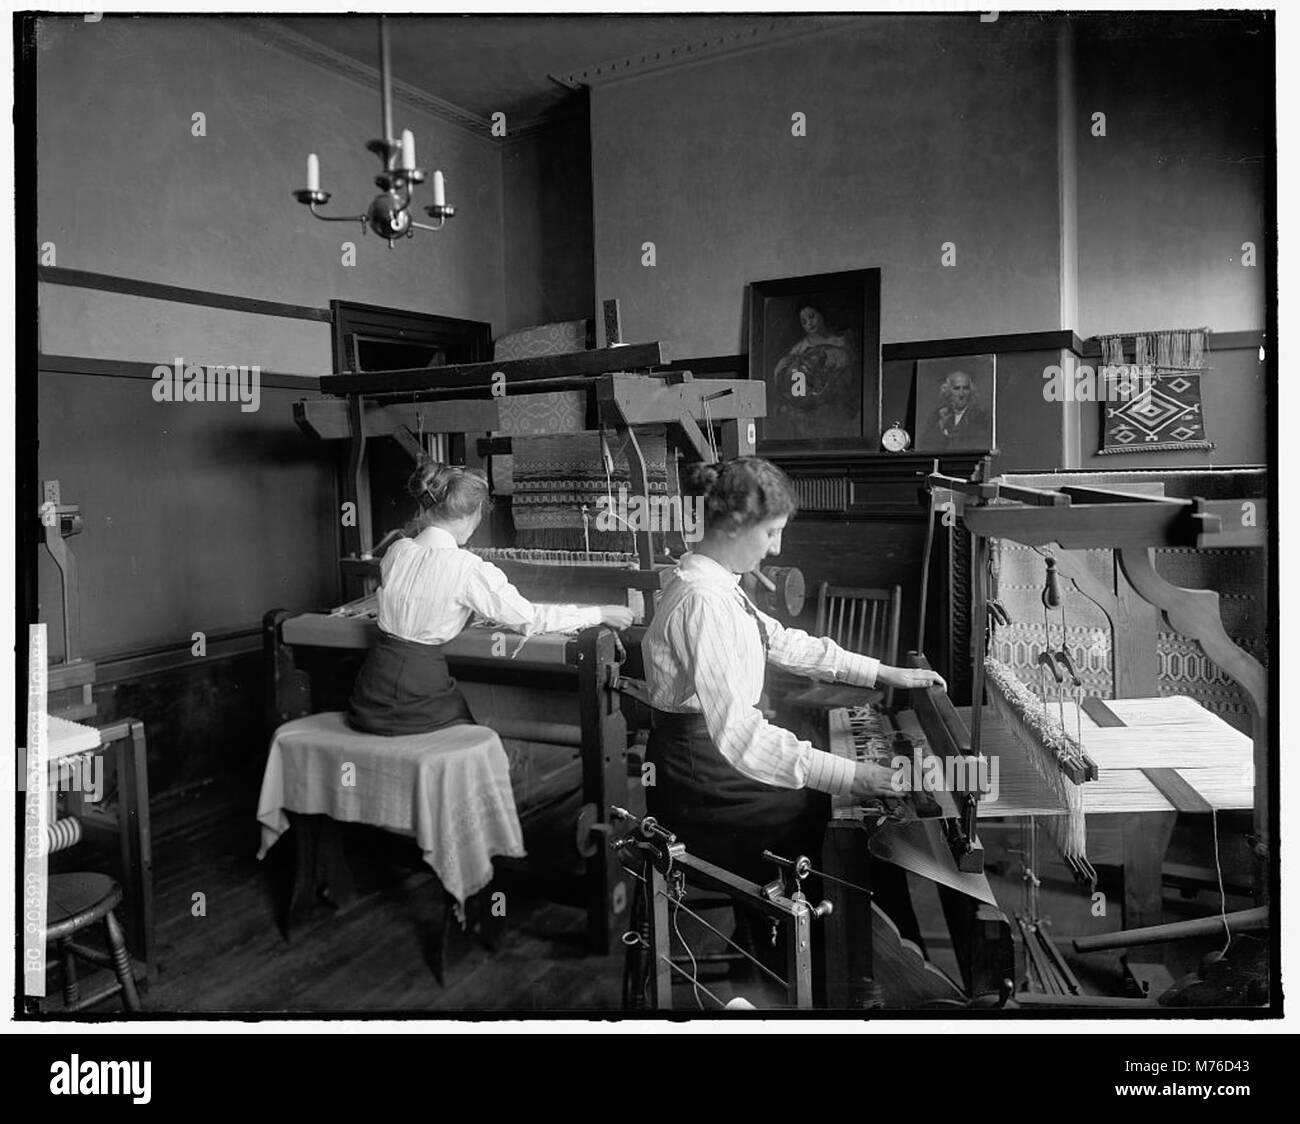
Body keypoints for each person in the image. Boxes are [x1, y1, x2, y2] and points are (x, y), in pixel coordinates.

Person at [640, 457, 946, 884]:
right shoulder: (703, 601)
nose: (776, 548)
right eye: (770, 532)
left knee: (827, 798)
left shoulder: (718, 584)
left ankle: (837, 926)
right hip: (699, 782)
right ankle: (806, 934)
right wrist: (853, 776)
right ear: (732, 525)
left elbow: (782, 641)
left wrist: (883, 673)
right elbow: (741, 736)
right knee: (817, 809)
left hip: (708, 758)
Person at [347, 460, 635, 736]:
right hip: (418, 696)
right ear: (471, 514)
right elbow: (529, 619)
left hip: (369, 691)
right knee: (470, 735)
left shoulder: (398, 551)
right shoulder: (467, 568)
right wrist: (600, 613)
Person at [770, 305, 858, 436]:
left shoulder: (843, 341)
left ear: (822, 314)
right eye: (804, 321)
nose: (809, 323)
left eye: (812, 317)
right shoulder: (799, 349)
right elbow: (788, 379)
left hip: (841, 403)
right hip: (813, 407)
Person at [919, 369, 991, 449]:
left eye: (965, 388)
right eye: (956, 388)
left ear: (971, 392)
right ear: (948, 391)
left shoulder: (980, 417)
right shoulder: (937, 416)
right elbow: (925, 446)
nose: (961, 394)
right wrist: (941, 425)